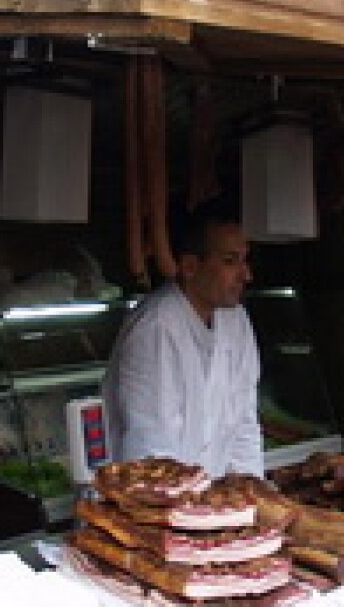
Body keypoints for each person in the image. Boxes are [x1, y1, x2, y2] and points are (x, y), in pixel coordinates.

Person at [102, 203, 264, 477]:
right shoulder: (156, 328)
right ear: (189, 267)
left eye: (244, 260)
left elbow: (244, 424)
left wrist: (248, 491)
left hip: (213, 495)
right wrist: (192, 500)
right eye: (230, 261)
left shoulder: (236, 320)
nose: (246, 275)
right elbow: (152, 448)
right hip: (154, 494)